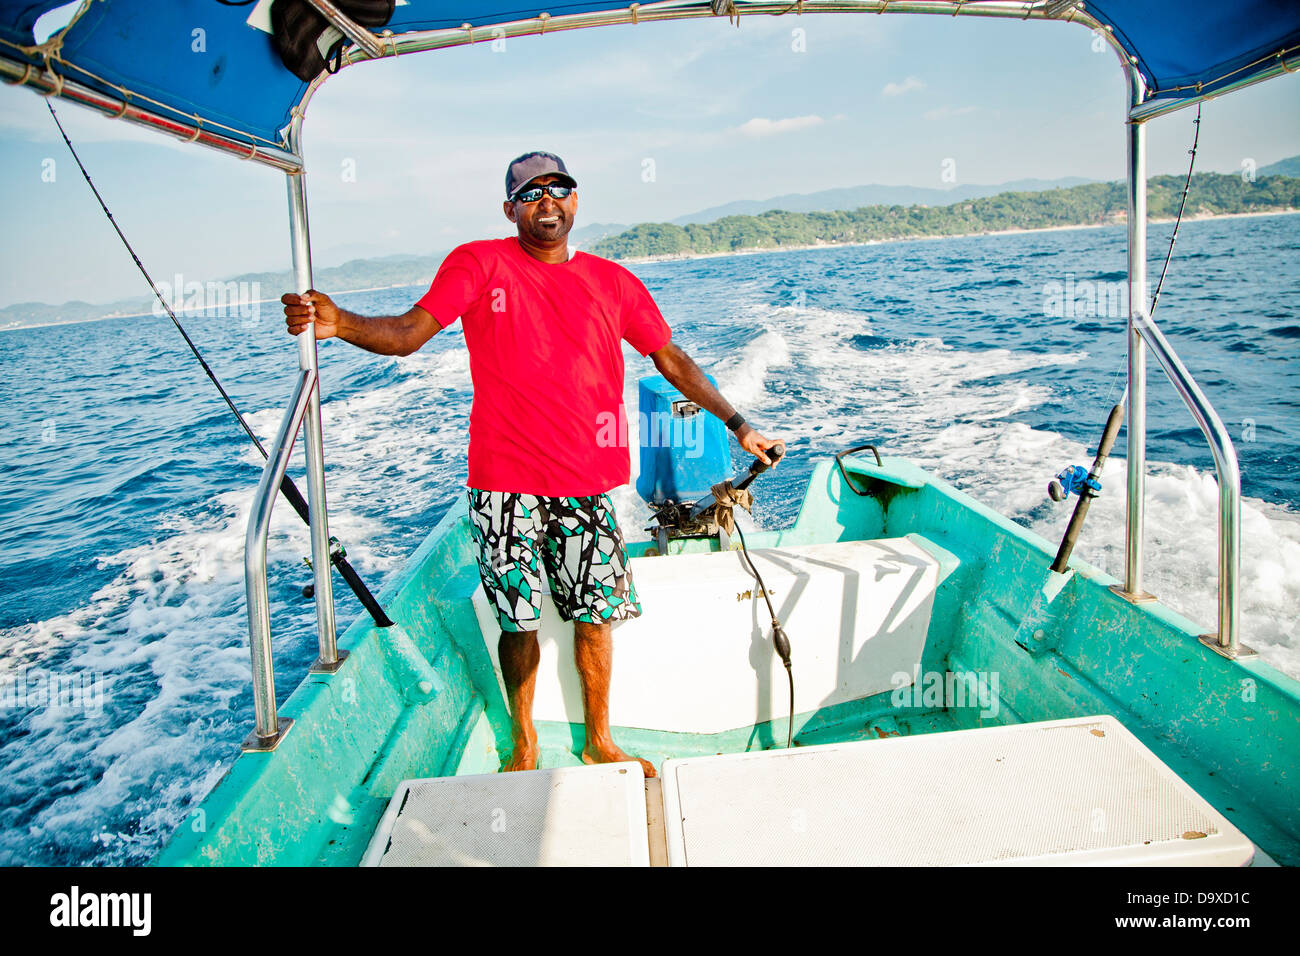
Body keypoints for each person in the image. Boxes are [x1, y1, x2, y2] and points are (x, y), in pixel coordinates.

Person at [282, 150, 781, 777]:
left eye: (559, 187)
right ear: (511, 207)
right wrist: (340, 323)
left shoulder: (614, 282)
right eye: (531, 191)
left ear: (575, 200)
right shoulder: (480, 263)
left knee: (596, 618)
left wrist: (738, 425)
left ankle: (599, 739)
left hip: (586, 489)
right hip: (504, 487)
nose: (547, 199)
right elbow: (409, 334)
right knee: (516, 622)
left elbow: (671, 360)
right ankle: (524, 744)